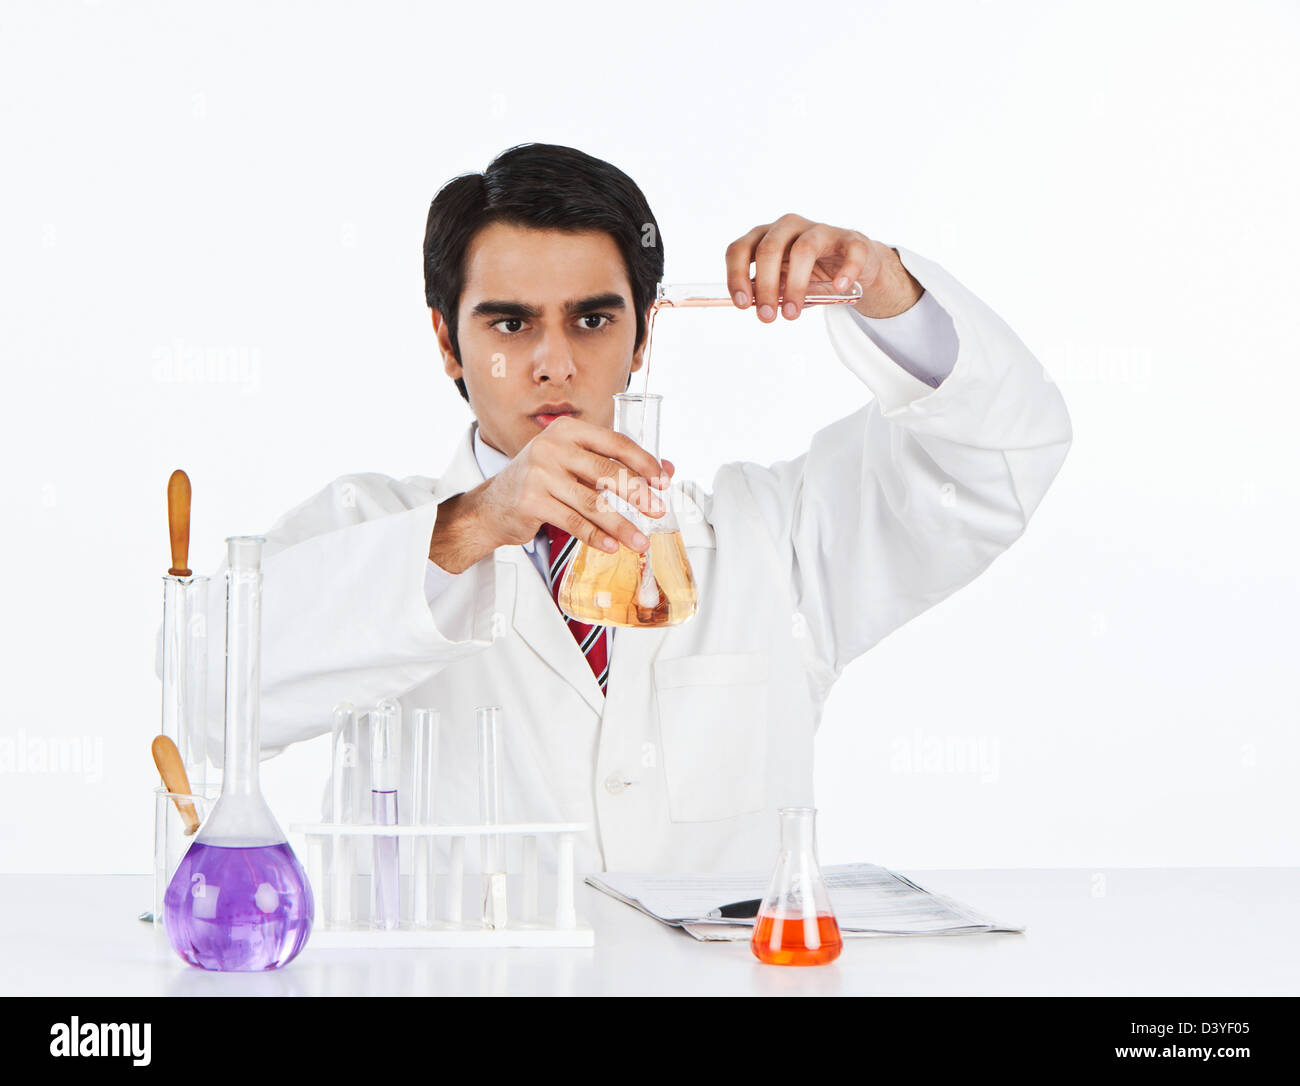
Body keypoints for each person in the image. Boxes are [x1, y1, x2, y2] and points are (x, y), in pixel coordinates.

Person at [179, 142, 1072, 877]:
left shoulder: (769, 540)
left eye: (593, 321)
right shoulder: (371, 530)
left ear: (644, 333)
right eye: (510, 324)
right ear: (448, 340)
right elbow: (206, 698)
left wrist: (886, 288)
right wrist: (475, 524)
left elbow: (1002, 459)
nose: (555, 363)